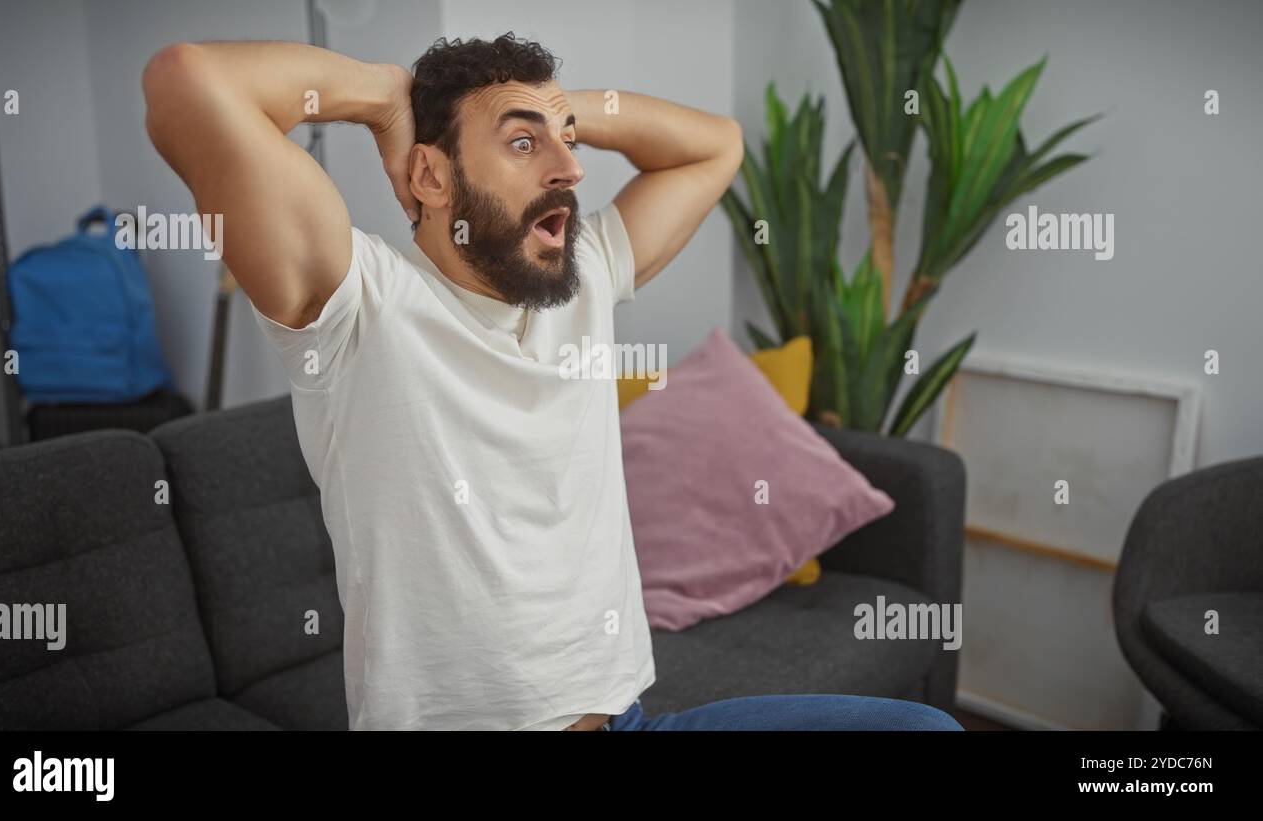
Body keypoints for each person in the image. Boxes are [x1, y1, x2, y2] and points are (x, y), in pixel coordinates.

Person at [142, 32, 962, 732]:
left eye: (568, 141)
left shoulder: (587, 276)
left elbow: (718, 144)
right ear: (429, 178)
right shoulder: (356, 304)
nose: (571, 167)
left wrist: (568, 114)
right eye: (525, 142)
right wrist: (383, 100)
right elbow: (185, 83)